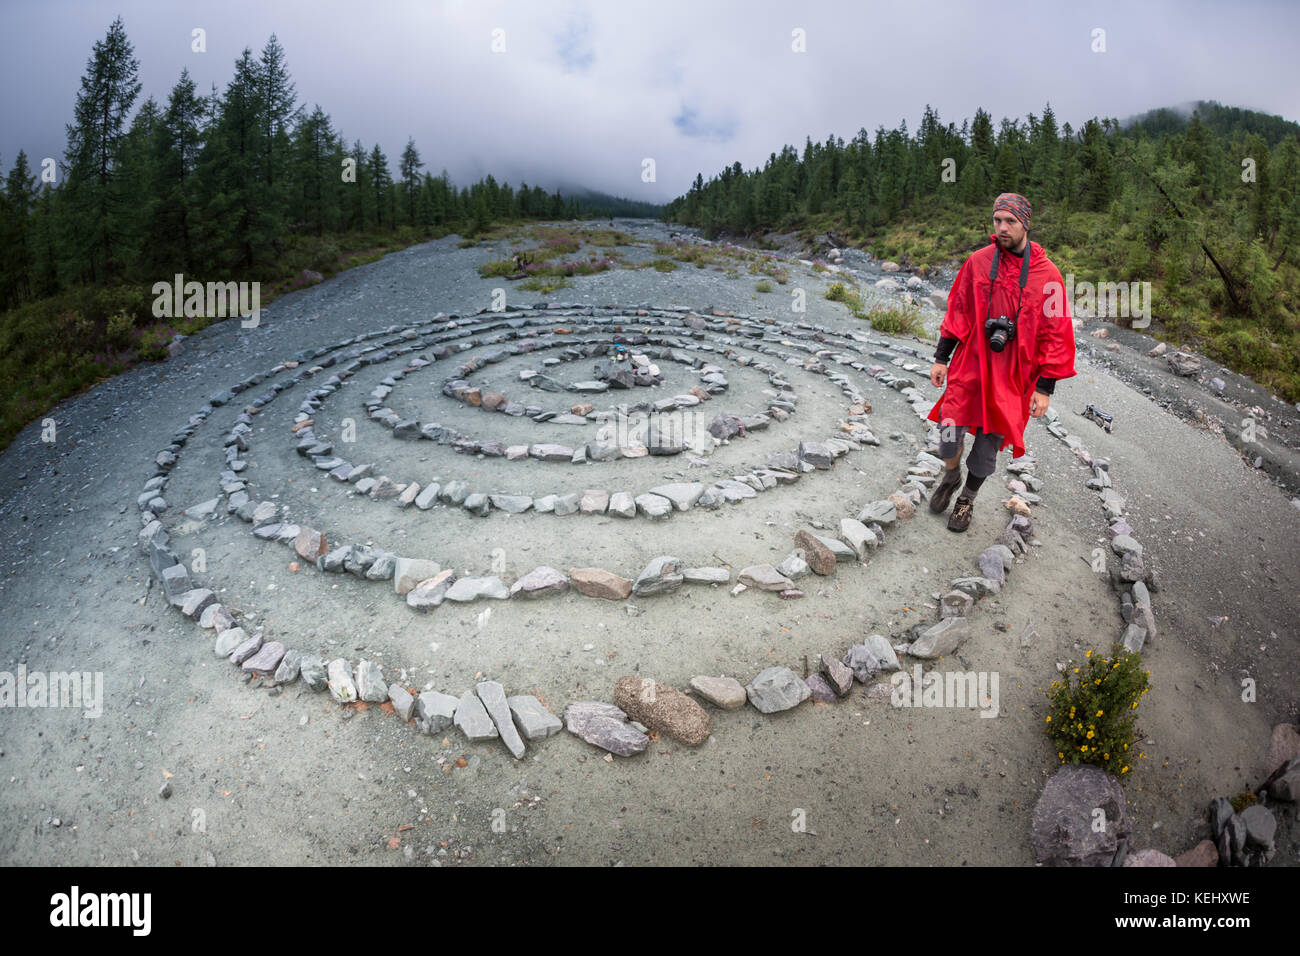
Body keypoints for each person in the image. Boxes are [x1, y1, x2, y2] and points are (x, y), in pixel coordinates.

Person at [926, 192, 1077, 532]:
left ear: (1026, 224)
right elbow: (959, 310)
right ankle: (951, 474)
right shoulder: (978, 261)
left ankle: (967, 499)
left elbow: (1057, 333)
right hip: (971, 363)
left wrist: (1045, 387)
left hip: (1014, 375)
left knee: (988, 445)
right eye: (998, 220)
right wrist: (941, 357)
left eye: (1010, 221)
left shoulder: (1048, 275)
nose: (1002, 227)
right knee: (949, 431)